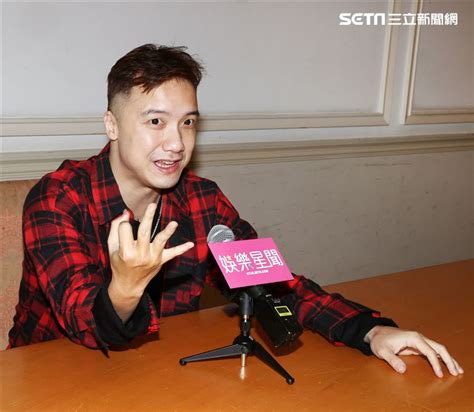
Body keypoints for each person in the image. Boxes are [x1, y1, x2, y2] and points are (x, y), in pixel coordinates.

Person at [9, 44, 463, 379]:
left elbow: (270, 284)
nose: (176, 143)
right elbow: (83, 322)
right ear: (111, 124)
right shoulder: (58, 199)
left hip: (160, 370)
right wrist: (125, 287)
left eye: (188, 122)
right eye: (155, 122)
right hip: (51, 375)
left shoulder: (201, 200)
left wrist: (369, 331)